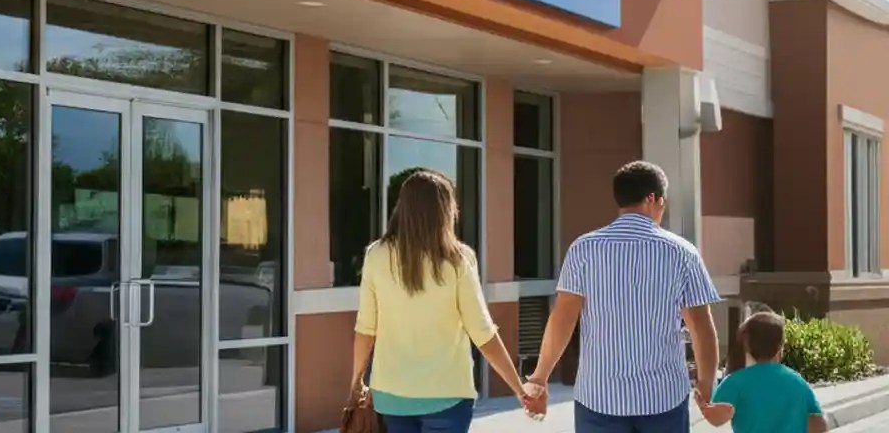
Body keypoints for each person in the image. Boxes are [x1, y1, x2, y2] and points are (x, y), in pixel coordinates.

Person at [522, 161, 721, 432]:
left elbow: (563, 318)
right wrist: (706, 385)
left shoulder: (584, 249)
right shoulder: (682, 253)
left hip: (599, 398)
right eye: (663, 202)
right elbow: (700, 325)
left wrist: (539, 379)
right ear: (652, 198)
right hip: (662, 398)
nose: (663, 209)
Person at [350, 169, 535, 432]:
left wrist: (356, 382)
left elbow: (365, 329)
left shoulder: (376, 256)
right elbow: (483, 334)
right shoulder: (458, 259)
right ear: (445, 211)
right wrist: (518, 387)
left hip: (391, 396)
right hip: (448, 397)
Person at [698, 311, 827, 433]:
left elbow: (716, 419)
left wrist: (704, 407)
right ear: (780, 348)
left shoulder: (735, 382)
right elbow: (819, 424)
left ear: (747, 346)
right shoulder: (797, 381)